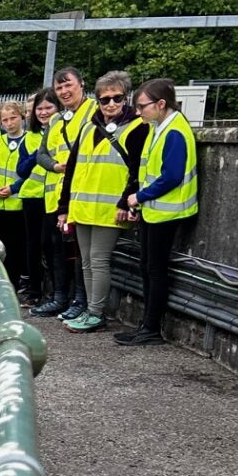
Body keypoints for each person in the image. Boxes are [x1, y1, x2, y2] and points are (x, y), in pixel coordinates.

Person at [55, 70, 146, 333]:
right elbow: (72, 170)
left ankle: (96, 312)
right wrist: (64, 208)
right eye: (104, 99)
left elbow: (138, 170)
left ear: (125, 98)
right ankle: (89, 309)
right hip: (82, 207)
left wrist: (125, 203)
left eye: (116, 98)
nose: (110, 104)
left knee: (98, 259)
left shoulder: (136, 128)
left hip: (110, 209)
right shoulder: (88, 127)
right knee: (85, 261)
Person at [115, 78, 199, 346]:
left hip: (167, 211)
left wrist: (139, 197)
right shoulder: (160, 127)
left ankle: (151, 327)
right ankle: (146, 325)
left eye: (143, 106)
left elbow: (171, 176)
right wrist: (140, 202)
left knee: (155, 269)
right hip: (154, 210)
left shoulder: (174, 131)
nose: (139, 112)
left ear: (161, 104)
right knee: (148, 268)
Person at [31, 70, 93, 318]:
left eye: (68, 86)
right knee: (55, 248)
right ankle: (59, 297)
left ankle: (80, 299)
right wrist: (55, 166)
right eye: (60, 88)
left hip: (81, 194)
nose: (64, 92)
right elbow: (41, 154)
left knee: (77, 251)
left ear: (81, 85)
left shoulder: (94, 112)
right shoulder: (57, 120)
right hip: (55, 196)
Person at [0, 101, 41, 301]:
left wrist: (13, 188)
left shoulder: (32, 140)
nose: (9, 123)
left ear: (22, 117)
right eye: (4, 120)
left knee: (17, 250)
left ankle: (14, 289)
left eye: (13, 118)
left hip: (18, 204)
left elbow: (31, 172)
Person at [21, 90, 58, 301]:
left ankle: (55, 293)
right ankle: (35, 291)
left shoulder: (62, 132)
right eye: (40, 109)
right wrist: (37, 155)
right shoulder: (31, 136)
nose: (43, 112)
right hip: (32, 196)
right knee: (34, 245)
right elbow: (22, 169)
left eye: (48, 108)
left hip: (53, 196)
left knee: (52, 246)